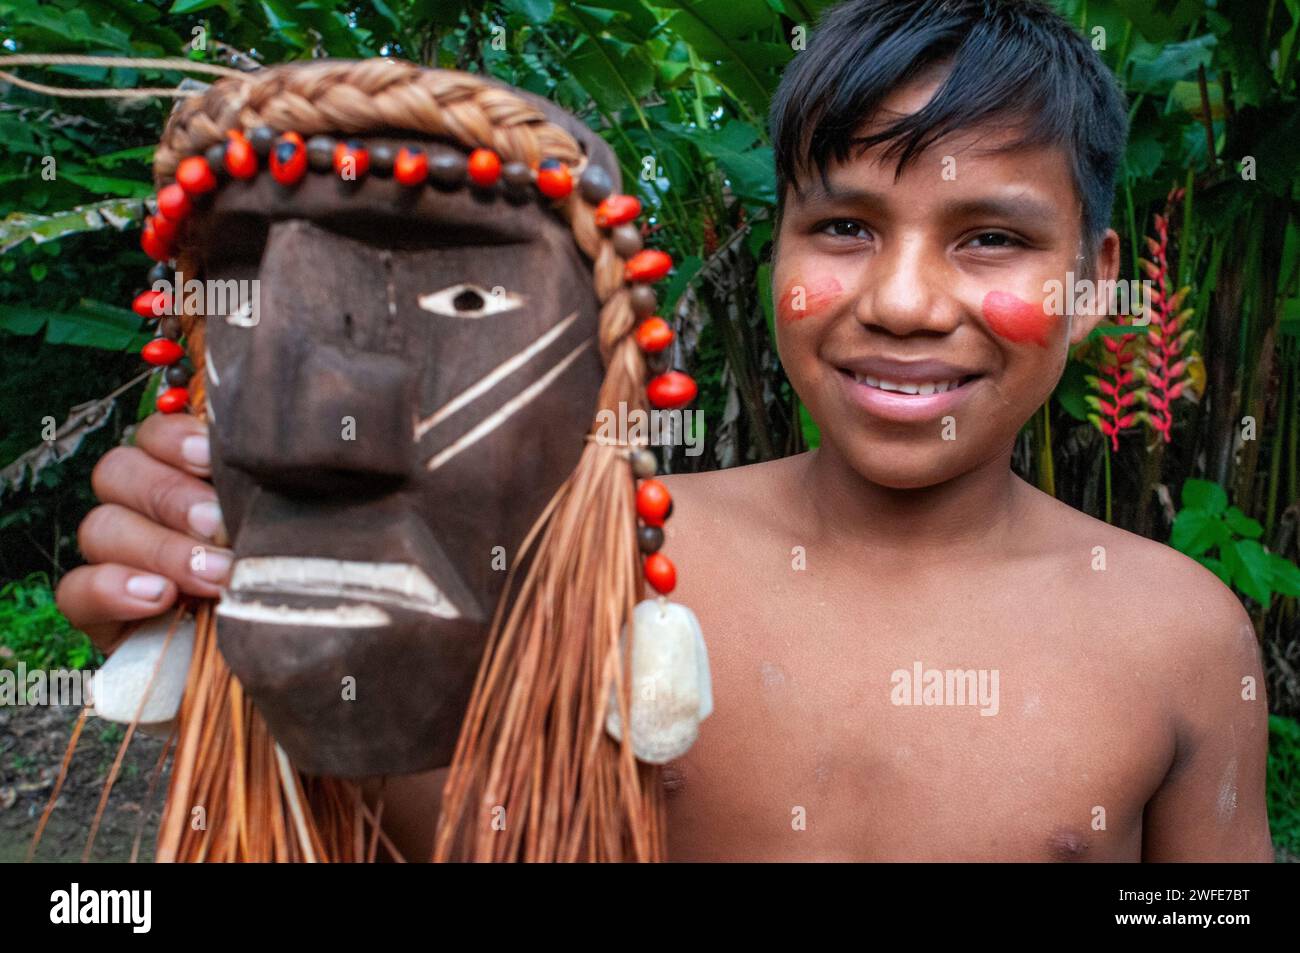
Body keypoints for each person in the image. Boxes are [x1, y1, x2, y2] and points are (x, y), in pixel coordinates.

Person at [56, 0, 1273, 860]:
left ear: (1095, 273)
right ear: (776, 245)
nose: (902, 302)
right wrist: (235, 601)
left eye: (991, 237)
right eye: (843, 227)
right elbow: (382, 818)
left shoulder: (1173, 635)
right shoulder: (577, 555)